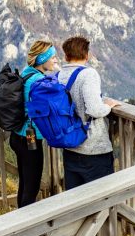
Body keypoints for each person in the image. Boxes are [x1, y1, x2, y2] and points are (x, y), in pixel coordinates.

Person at [57, 36, 119, 190]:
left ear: (66, 56)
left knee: (76, 201)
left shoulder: (59, 75)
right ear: (87, 55)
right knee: (101, 201)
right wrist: (108, 106)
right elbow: (94, 109)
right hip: (93, 149)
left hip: (70, 146)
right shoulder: (88, 74)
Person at [10, 39, 58, 208]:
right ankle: (26, 230)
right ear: (42, 59)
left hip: (17, 136)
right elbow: (53, 102)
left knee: (24, 183)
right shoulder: (37, 81)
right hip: (29, 141)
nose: (55, 60)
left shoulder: (26, 73)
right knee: (32, 187)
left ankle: (19, 222)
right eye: (52, 57)